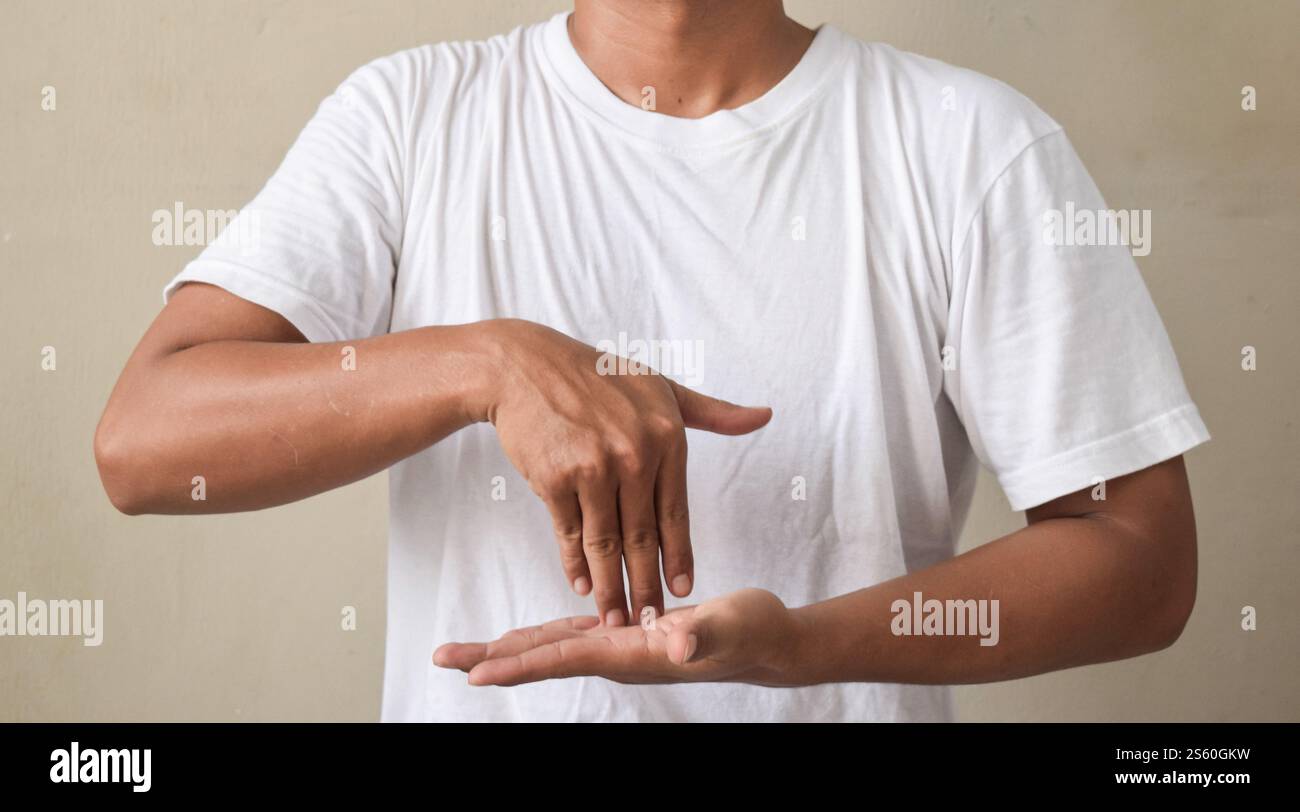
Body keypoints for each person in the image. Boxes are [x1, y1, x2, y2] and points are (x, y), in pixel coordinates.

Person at [94, 0, 1209, 721]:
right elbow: (143, 443)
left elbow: (1139, 560)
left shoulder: (970, 143)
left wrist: (802, 648)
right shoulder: (412, 116)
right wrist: (486, 365)